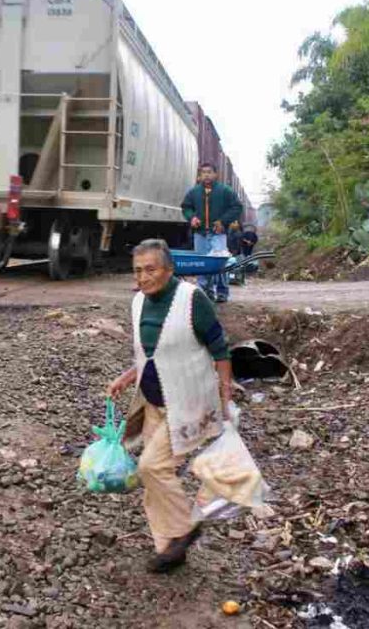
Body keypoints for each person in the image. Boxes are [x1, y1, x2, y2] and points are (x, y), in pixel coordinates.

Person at [106, 238, 233, 573]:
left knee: (151, 467)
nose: (144, 277)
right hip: (152, 403)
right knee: (154, 478)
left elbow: (220, 350)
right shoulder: (137, 303)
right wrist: (127, 376)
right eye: (138, 270)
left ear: (169, 269)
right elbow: (153, 352)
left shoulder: (192, 300)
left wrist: (226, 397)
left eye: (151, 269)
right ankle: (169, 549)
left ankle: (187, 526)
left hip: (187, 404)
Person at [181, 164, 243, 303]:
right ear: (200, 175)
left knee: (220, 264)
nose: (206, 175)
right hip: (200, 234)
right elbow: (186, 207)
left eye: (209, 172)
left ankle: (222, 292)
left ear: (216, 175)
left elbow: (237, 207)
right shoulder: (194, 192)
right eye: (203, 172)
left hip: (218, 233)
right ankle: (205, 293)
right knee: (202, 264)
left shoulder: (225, 191)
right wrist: (192, 218)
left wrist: (223, 221)